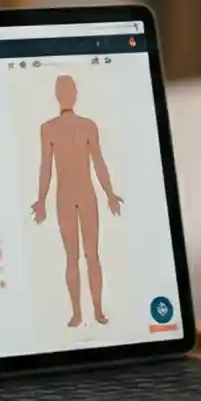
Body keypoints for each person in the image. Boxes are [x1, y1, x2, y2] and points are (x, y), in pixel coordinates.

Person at [32, 75, 123, 327]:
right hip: (81, 193)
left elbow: (95, 163)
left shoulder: (53, 128)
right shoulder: (81, 126)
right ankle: (85, 312)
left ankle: (91, 311)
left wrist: (110, 193)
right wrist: (40, 200)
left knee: (81, 256)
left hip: (71, 195)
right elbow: (48, 168)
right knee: (84, 256)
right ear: (73, 95)